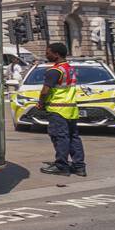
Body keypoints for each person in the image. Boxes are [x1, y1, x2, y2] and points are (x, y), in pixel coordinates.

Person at [38, 42, 85, 177]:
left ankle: (62, 166)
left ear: (56, 54)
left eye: (48, 53)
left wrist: (41, 103)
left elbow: (45, 91)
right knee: (74, 138)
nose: (46, 55)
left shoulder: (54, 71)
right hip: (71, 109)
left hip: (57, 110)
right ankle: (79, 166)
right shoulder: (69, 69)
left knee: (60, 138)